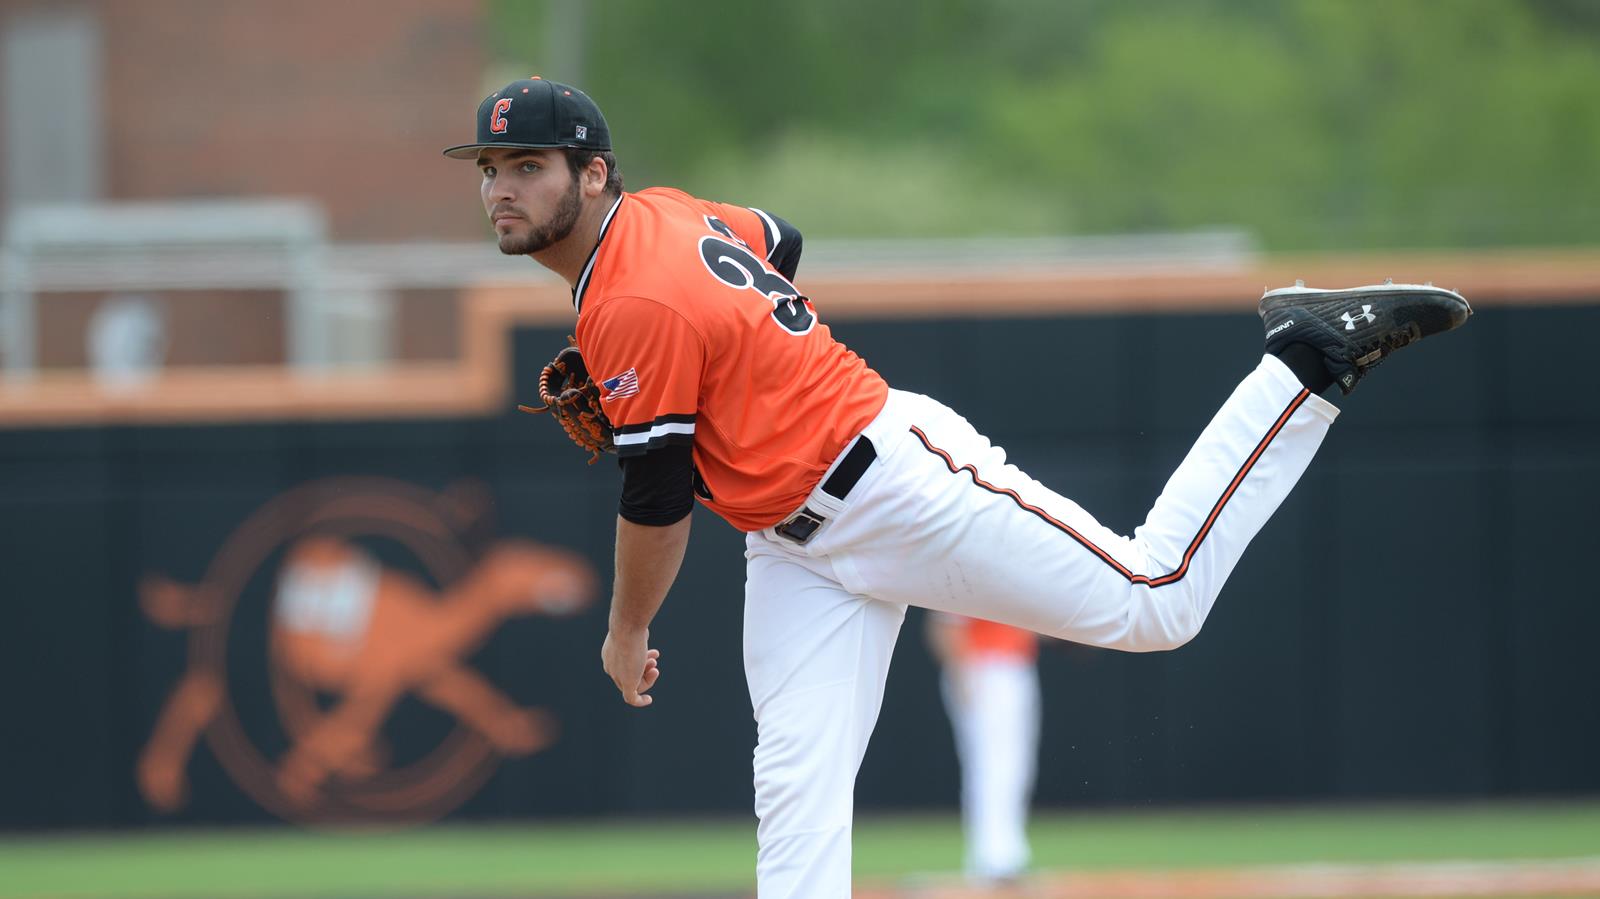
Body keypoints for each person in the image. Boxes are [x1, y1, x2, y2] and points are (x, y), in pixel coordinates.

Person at [443, 77, 1471, 898]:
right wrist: (750, 362)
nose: (502, 188)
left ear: (593, 174)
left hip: (892, 482)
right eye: (490, 168)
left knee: (1155, 597)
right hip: (791, 540)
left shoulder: (632, 299)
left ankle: (1303, 359)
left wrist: (626, 631)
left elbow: (657, 496)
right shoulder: (665, 219)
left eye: (528, 166)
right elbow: (775, 239)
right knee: (797, 797)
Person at [926, 614, 1041, 886]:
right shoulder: (968, 574)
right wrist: (962, 672)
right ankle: (990, 859)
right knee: (991, 767)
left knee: (1016, 768)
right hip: (984, 668)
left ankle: (1008, 854)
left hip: (1016, 666)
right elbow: (943, 626)